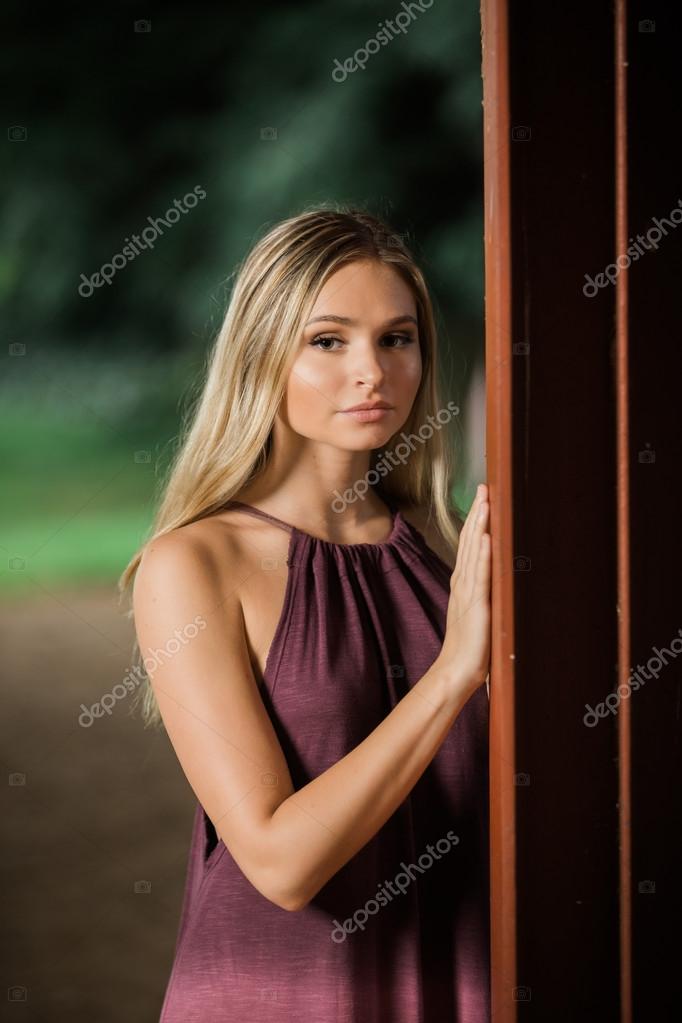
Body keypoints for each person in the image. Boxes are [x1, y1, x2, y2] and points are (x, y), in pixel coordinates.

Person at [120, 203, 492, 1022]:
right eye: (328, 340)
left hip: (455, 981)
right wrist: (455, 671)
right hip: (279, 994)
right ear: (262, 355)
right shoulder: (194, 563)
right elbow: (282, 864)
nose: (374, 370)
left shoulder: (451, 543)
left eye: (396, 338)